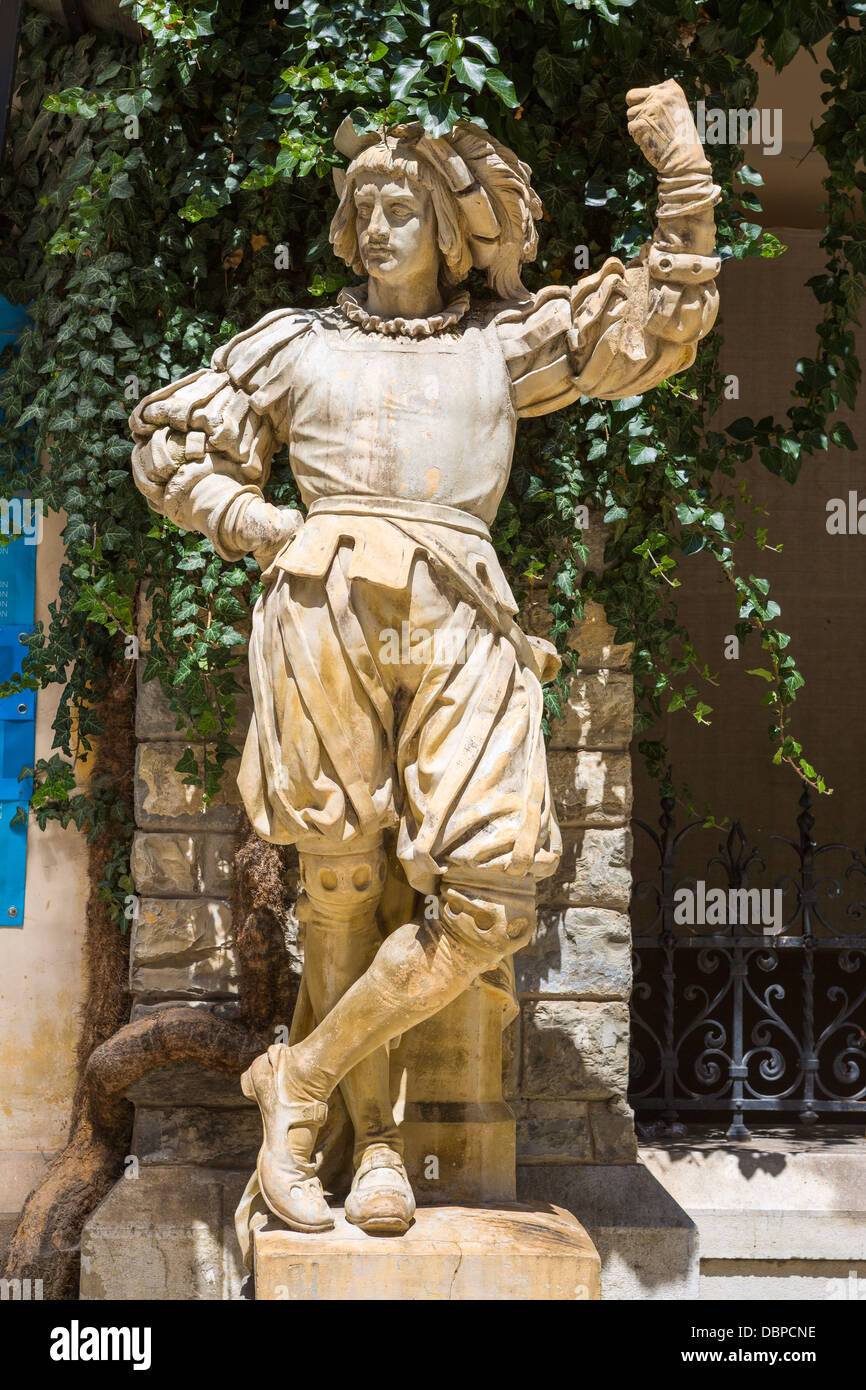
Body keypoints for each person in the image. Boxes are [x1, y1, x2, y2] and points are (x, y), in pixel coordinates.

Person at [130, 79, 719, 1238]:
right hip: (323, 605)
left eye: (404, 203)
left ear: (453, 232)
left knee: (490, 897)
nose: (381, 220)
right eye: (366, 203)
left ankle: (297, 1079)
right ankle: (378, 1148)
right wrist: (258, 524)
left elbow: (652, 327)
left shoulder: (503, 346)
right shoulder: (295, 344)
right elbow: (171, 443)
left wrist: (685, 180)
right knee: (341, 882)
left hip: (461, 614)